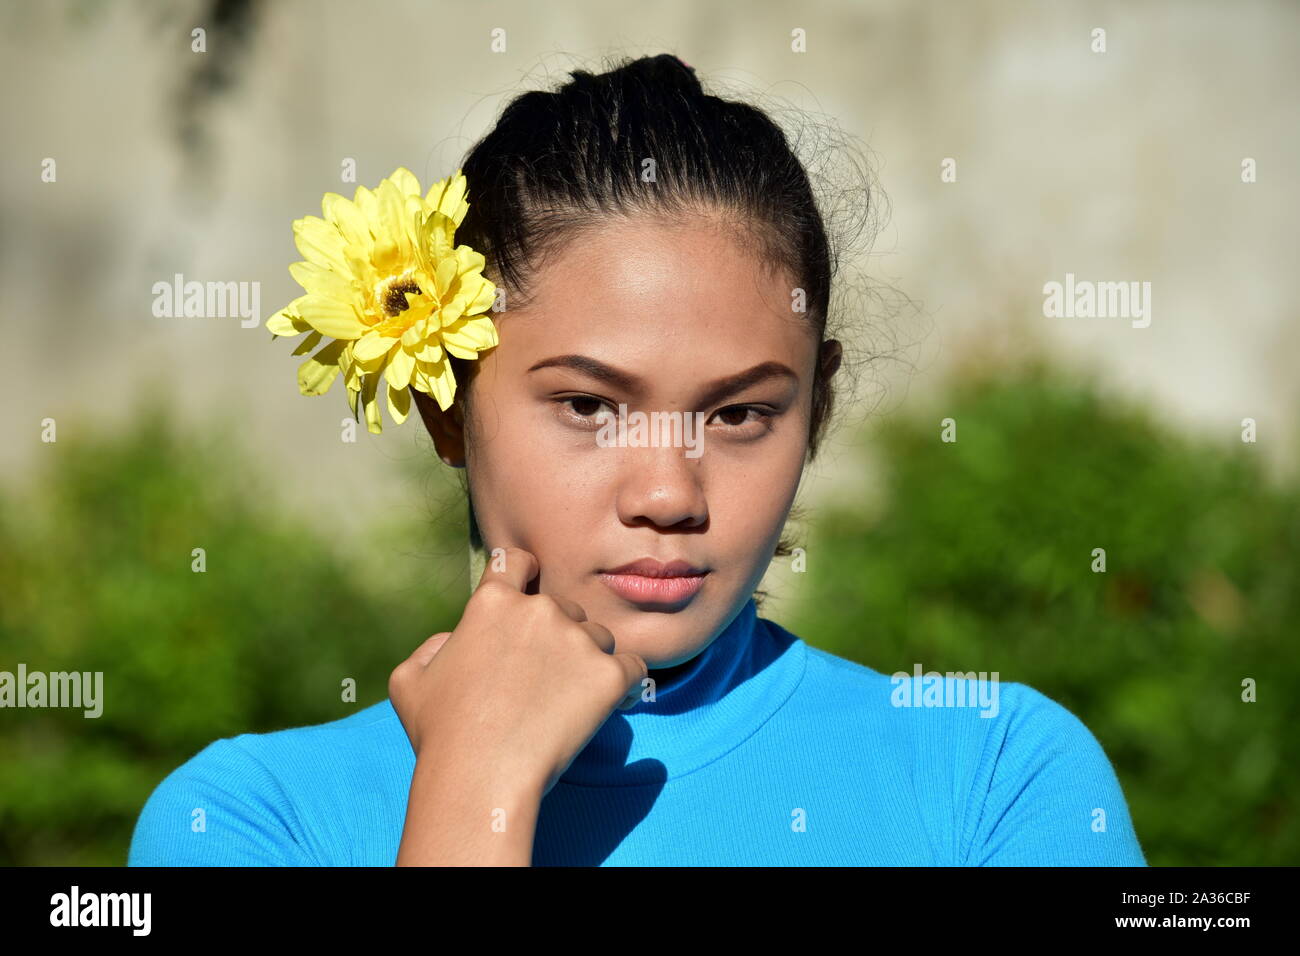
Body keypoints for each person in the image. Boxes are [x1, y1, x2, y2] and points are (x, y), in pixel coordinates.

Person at [128, 53, 1146, 866]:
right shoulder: (251, 821)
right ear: (445, 404)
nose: (668, 492)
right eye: (586, 405)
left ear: (817, 406)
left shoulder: (991, 773)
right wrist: (474, 791)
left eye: (742, 413)